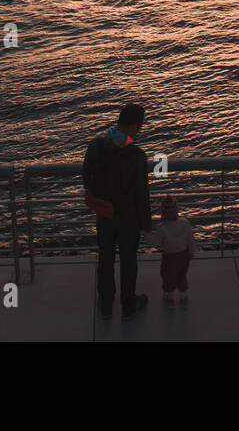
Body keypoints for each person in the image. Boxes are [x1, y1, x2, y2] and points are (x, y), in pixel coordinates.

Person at [82, 102, 152, 320]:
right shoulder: (136, 156)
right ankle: (128, 302)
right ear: (134, 125)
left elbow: (86, 176)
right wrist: (146, 225)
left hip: (104, 212)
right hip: (128, 216)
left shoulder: (96, 145)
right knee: (128, 260)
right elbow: (142, 194)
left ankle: (105, 302)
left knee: (105, 257)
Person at [148, 194, 195, 310]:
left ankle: (170, 299)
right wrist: (191, 252)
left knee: (168, 276)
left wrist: (146, 235)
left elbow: (155, 243)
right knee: (182, 275)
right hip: (184, 255)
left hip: (169, 256)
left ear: (163, 212)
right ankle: (184, 297)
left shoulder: (161, 227)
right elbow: (190, 240)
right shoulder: (185, 223)